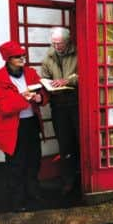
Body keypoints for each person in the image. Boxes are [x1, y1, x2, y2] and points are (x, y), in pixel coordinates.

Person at [0, 41, 48, 212]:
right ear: (8, 59)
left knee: (34, 161)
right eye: (17, 57)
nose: (22, 58)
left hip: (31, 124)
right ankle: (18, 200)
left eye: (22, 55)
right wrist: (23, 98)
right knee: (16, 165)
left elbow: (42, 92)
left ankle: (34, 193)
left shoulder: (30, 73)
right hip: (12, 128)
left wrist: (40, 98)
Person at [41, 27, 79, 195]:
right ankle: (68, 180)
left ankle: (83, 176)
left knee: (81, 141)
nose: (56, 46)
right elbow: (44, 76)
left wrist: (68, 81)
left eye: (60, 43)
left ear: (68, 41)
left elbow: (87, 72)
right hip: (58, 105)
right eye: (54, 43)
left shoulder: (79, 53)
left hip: (78, 103)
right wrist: (47, 84)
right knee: (64, 144)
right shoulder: (49, 57)